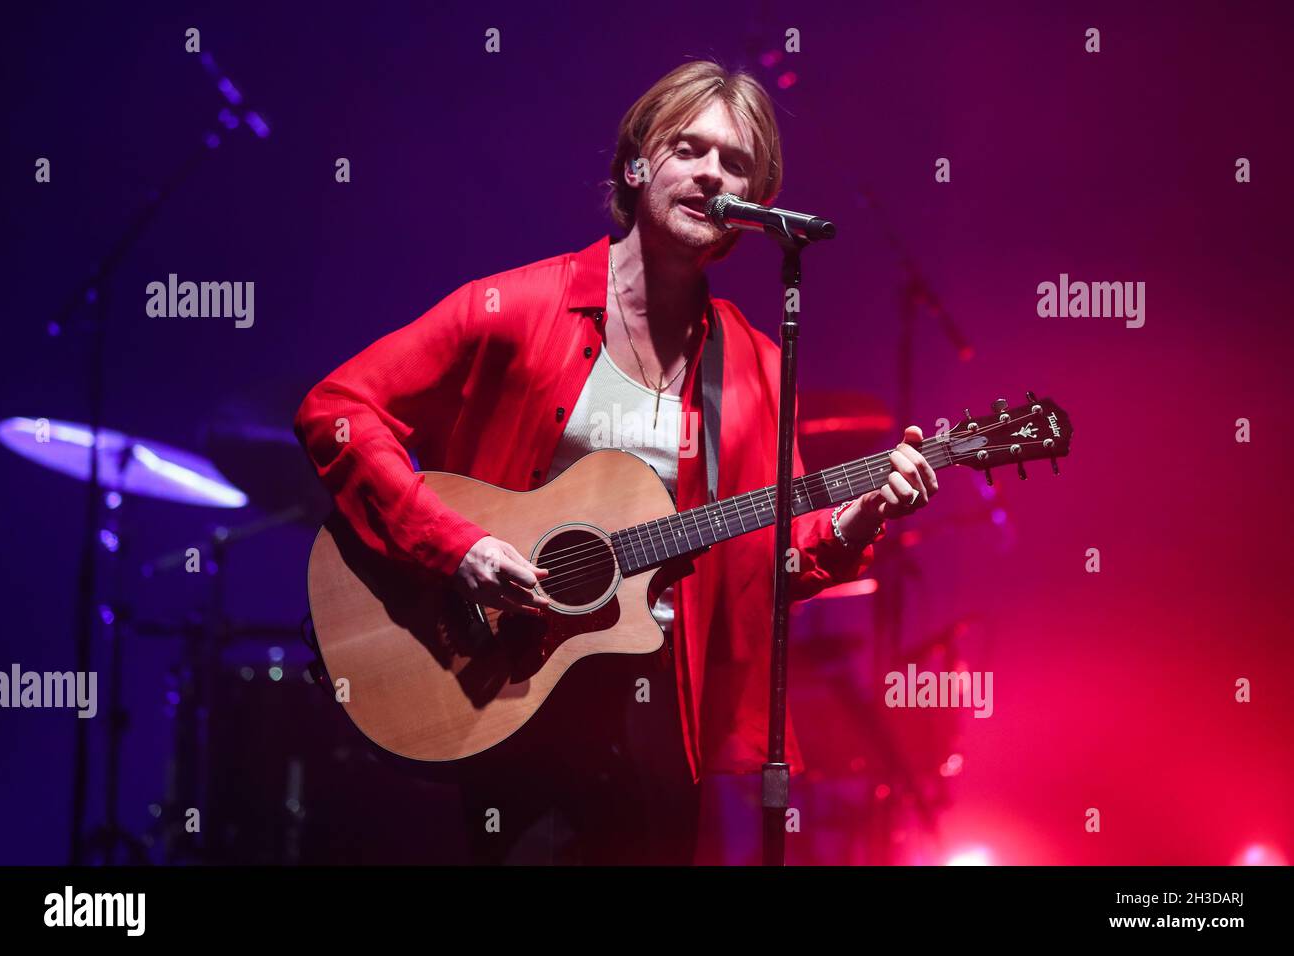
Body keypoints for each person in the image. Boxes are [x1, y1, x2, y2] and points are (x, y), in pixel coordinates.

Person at [294, 60, 938, 865]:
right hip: (509, 678)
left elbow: (775, 551)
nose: (713, 173)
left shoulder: (759, 365)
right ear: (636, 166)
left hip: (661, 701)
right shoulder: (516, 309)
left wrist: (855, 519)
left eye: (736, 163)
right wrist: (456, 546)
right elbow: (338, 410)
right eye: (690, 149)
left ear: (755, 206)